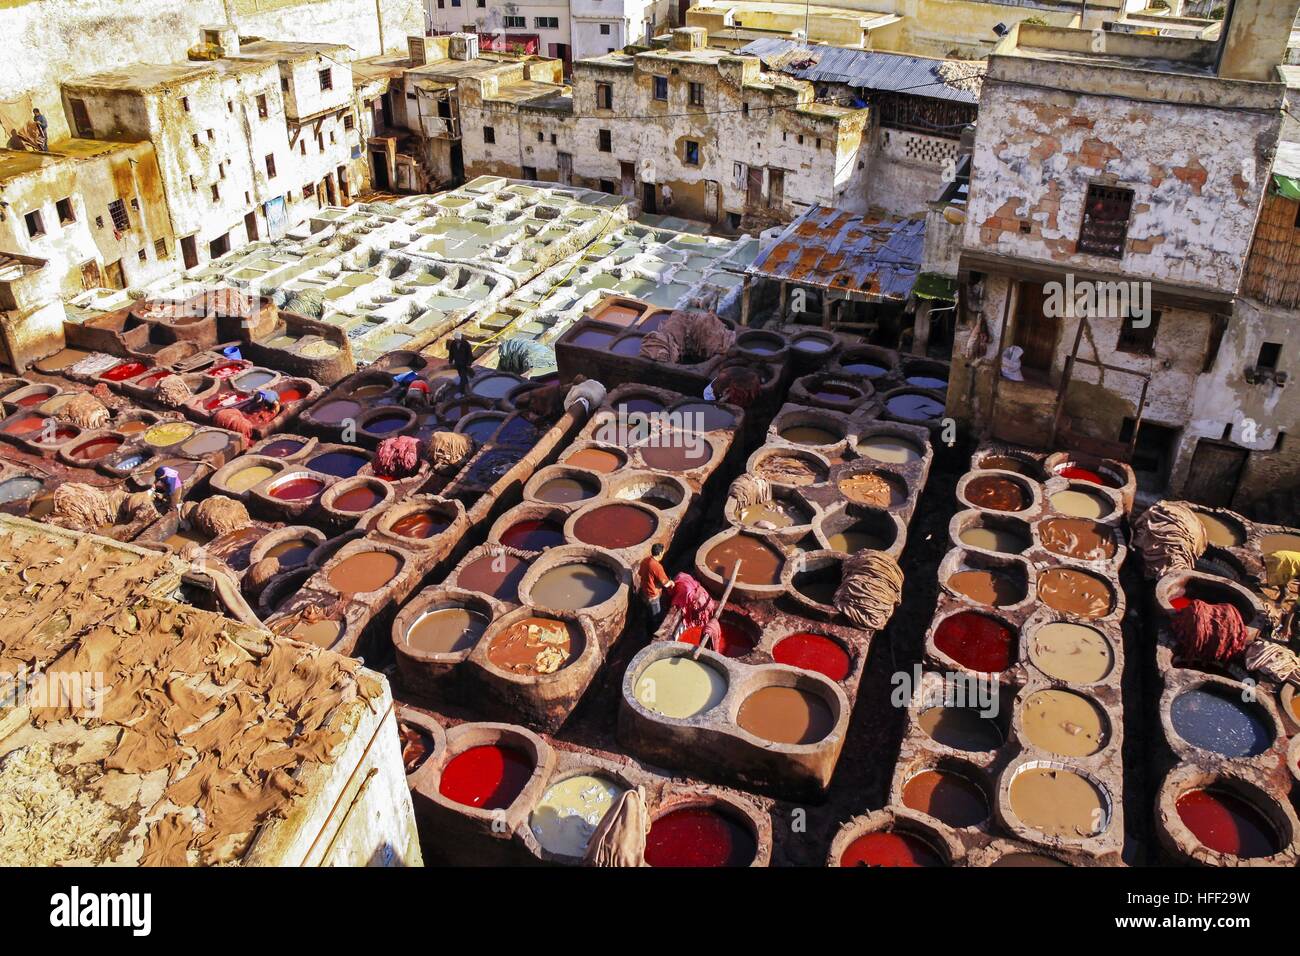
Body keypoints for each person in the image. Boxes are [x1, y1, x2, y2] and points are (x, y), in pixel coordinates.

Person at [638, 543, 673, 628]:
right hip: (652, 595)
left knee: (647, 613)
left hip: (644, 592)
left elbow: (640, 573)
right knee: (656, 617)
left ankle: (646, 626)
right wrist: (672, 582)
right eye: (663, 553)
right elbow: (666, 584)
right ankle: (653, 632)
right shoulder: (657, 566)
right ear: (660, 553)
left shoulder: (645, 560)